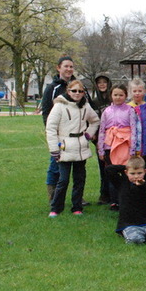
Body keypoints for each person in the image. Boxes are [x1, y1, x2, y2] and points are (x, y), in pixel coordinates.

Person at [45, 79, 100, 217]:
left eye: (80, 91)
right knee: (63, 180)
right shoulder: (59, 106)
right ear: (68, 91)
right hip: (65, 146)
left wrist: (88, 135)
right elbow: (51, 128)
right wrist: (54, 149)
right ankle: (56, 207)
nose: (77, 93)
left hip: (80, 146)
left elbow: (95, 120)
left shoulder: (85, 106)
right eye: (74, 91)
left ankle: (77, 206)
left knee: (79, 179)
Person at [98, 84, 140, 210]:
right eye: (115, 95)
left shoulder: (130, 110)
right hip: (110, 145)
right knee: (112, 172)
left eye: (121, 95)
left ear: (126, 96)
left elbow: (134, 129)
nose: (118, 97)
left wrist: (133, 148)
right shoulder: (106, 111)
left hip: (125, 144)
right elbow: (101, 130)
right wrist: (101, 148)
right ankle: (114, 200)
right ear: (111, 96)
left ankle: (126, 198)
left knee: (125, 172)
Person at [40, 56, 76, 203]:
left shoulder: (77, 86)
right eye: (66, 66)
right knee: (55, 164)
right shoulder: (52, 88)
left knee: (75, 166)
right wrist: (51, 132)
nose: (68, 69)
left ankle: (77, 196)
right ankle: (53, 196)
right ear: (58, 68)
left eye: (71, 67)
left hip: (74, 134)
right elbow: (46, 111)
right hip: (58, 134)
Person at [89, 73, 112, 205]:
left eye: (104, 82)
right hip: (100, 139)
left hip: (114, 138)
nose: (102, 85)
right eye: (99, 83)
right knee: (102, 167)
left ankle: (114, 193)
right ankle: (104, 194)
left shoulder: (113, 99)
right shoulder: (94, 102)